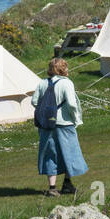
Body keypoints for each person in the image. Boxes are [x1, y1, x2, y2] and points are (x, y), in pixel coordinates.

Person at [32, 57, 87, 196]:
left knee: (51, 154)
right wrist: (76, 119)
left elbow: (34, 102)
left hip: (46, 124)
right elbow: (72, 104)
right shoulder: (66, 83)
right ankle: (67, 183)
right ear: (63, 69)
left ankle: (52, 188)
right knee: (70, 153)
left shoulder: (42, 83)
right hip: (64, 123)